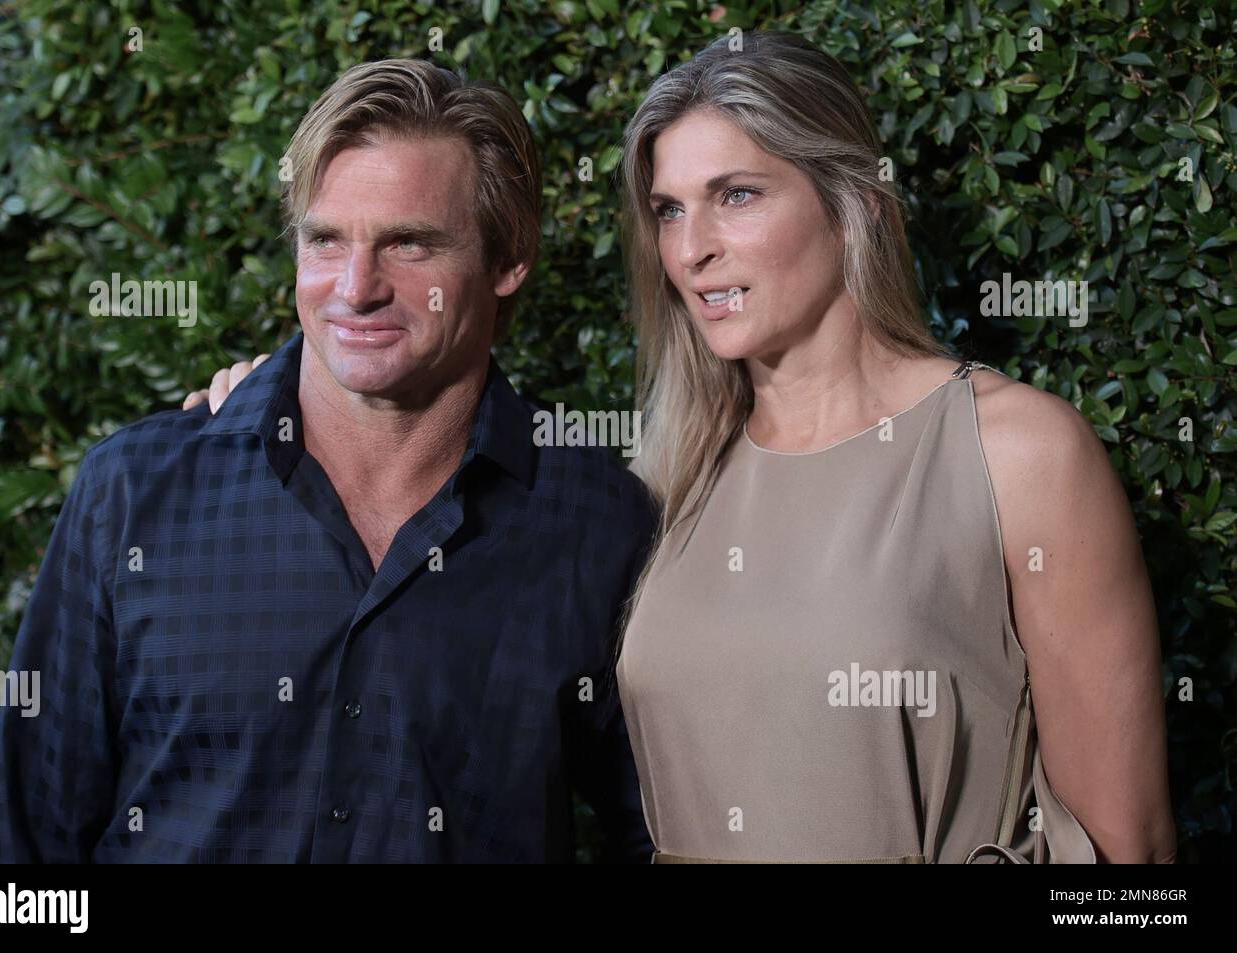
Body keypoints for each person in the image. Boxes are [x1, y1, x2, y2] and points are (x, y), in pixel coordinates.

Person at [187, 33, 1177, 864]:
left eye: (736, 195)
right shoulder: (662, 484)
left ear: (853, 203)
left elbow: (1131, 861)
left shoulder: (1015, 451)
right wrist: (282, 404)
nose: (690, 246)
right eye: (667, 208)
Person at [0, 59, 655, 863]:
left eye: (408, 243)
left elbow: (659, 837)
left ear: (508, 260)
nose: (355, 288)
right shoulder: (135, 492)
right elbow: (17, 862)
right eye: (325, 239)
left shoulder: (596, 520)